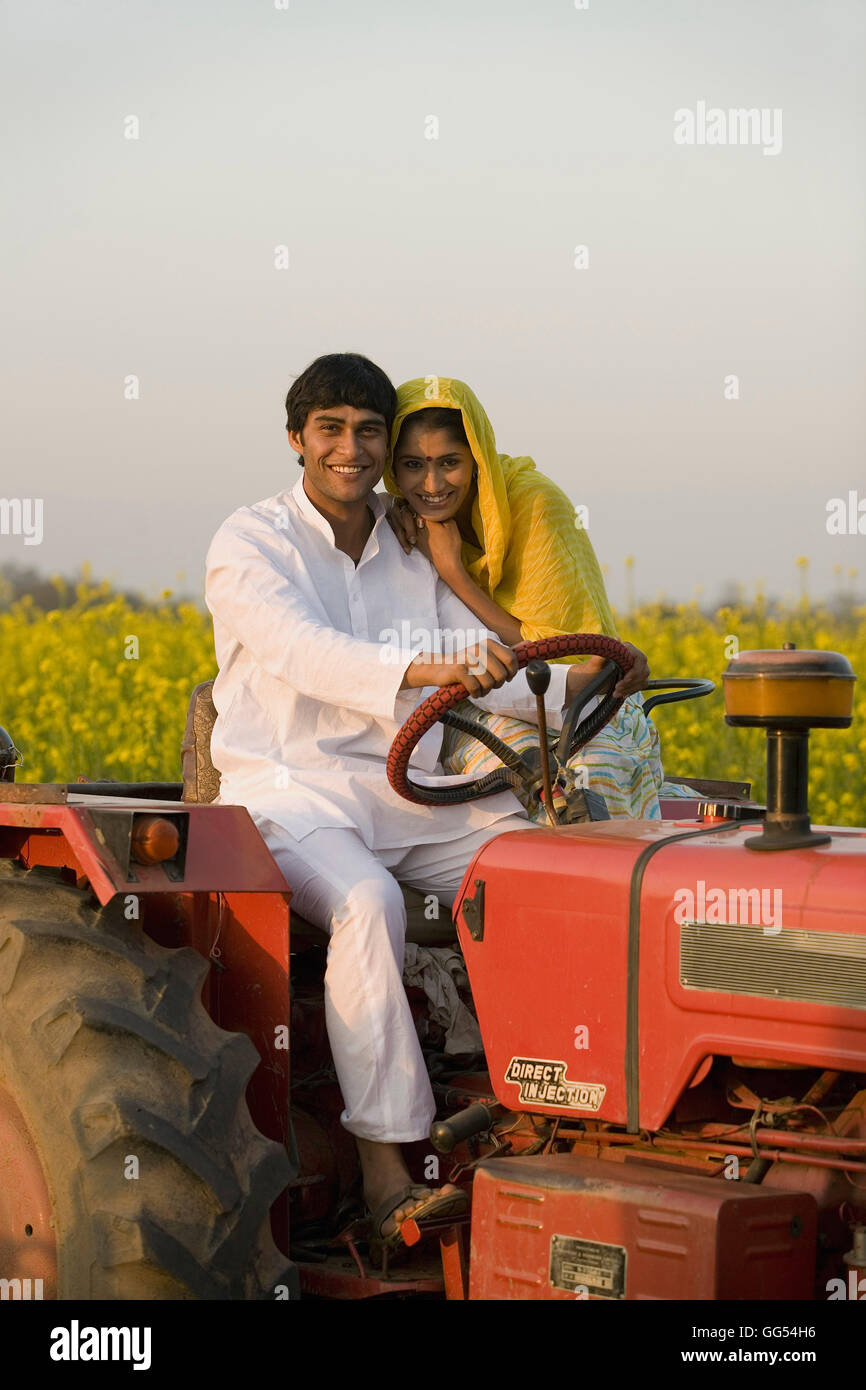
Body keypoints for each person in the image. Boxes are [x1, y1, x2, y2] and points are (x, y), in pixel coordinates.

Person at [204, 353, 618, 1252]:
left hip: (412, 793)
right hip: (291, 794)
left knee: (552, 874)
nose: (350, 448)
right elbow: (303, 651)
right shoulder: (251, 543)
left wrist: (574, 678)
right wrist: (429, 670)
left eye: (367, 431)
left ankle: (567, 1116)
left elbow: (486, 666)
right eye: (331, 430)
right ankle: (389, 1168)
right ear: (296, 441)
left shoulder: (410, 546)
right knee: (365, 903)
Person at [385, 375, 685, 819]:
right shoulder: (400, 521)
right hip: (484, 700)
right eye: (412, 465)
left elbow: (561, 651)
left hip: (581, 696)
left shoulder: (534, 505)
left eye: (449, 462)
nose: (431, 484)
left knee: (588, 780)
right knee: (511, 780)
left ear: (478, 460)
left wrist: (454, 573)